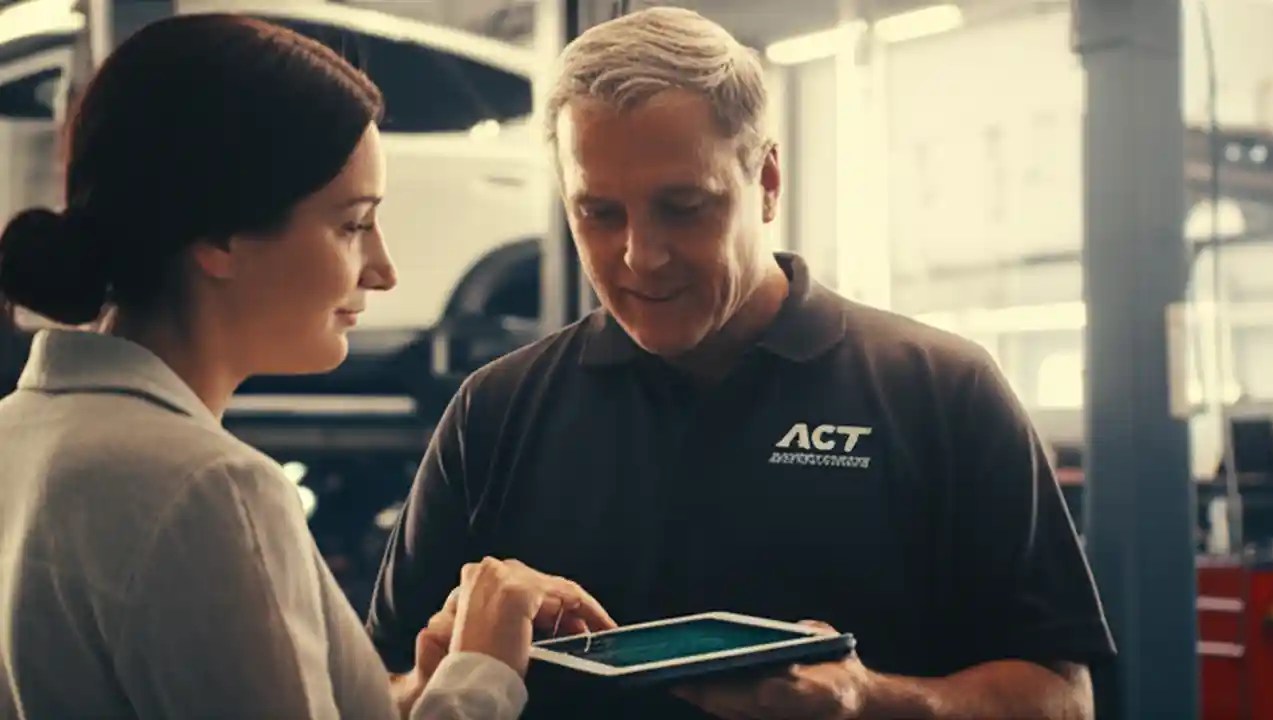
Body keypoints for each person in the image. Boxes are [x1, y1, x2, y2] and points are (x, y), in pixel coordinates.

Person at [367, 7, 1116, 719]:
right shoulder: (494, 413)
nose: (640, 255)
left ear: (765, 182)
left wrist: (871, 701)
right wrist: (447, 673)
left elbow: (1063, 698)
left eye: (684, 206)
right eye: (599, 213)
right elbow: (379, 691)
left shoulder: (943, 392)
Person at [0, 14, 612, 720]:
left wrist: (424, 688)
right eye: (352, 224)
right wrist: (481, 678)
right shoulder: (207, 488)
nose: (382, 270)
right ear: (218, 236)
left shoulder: (22, 435)